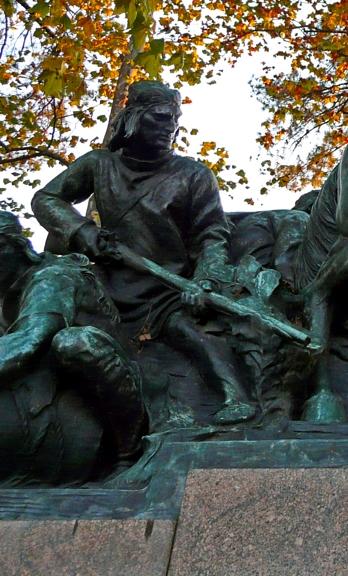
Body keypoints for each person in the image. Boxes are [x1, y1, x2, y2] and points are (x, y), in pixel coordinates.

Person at [32, 81, 255, 424]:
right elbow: (46, 199)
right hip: (107, 288)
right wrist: (82, 231)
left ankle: (237, 398)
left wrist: (206, 281)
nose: (171, 128)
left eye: (174, 120)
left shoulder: (193, 175)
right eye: (161, 119)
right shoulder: (98, 164)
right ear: (133, 119)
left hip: (167, 291)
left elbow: (212, 234)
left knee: (196, 336)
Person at [0, 212, 145, 482]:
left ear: (15, 248)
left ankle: (129, 450)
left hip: (105, 375)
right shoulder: (6, 291)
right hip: (46, 383)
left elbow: (29, 340)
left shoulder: (52, 278)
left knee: (75, 344)